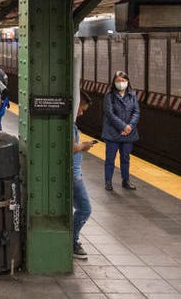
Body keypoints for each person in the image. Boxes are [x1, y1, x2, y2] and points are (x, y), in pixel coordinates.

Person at [102, 70, 141, 191]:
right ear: (114, 82)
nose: (121, 83)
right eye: (118, 81)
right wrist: (123, 126)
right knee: (110, 158)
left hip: (128, 134)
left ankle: (126, 180)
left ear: (127, 81)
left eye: (123, 81)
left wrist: (130, 126)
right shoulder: (109, 96)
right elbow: (110, 114)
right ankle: (108, 181)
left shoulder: (132, 95)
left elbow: (136, 112)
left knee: (125, 158)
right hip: (113, 133)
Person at [72, 91, 96, 260]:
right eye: (81, 109)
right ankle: (72, 241)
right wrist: (84, 146)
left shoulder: (71, 123)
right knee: (85, 209)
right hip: (74, 175)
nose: (81, 113)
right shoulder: (69, 124)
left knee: (82, 208)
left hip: (75, 172)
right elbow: (72, 147)